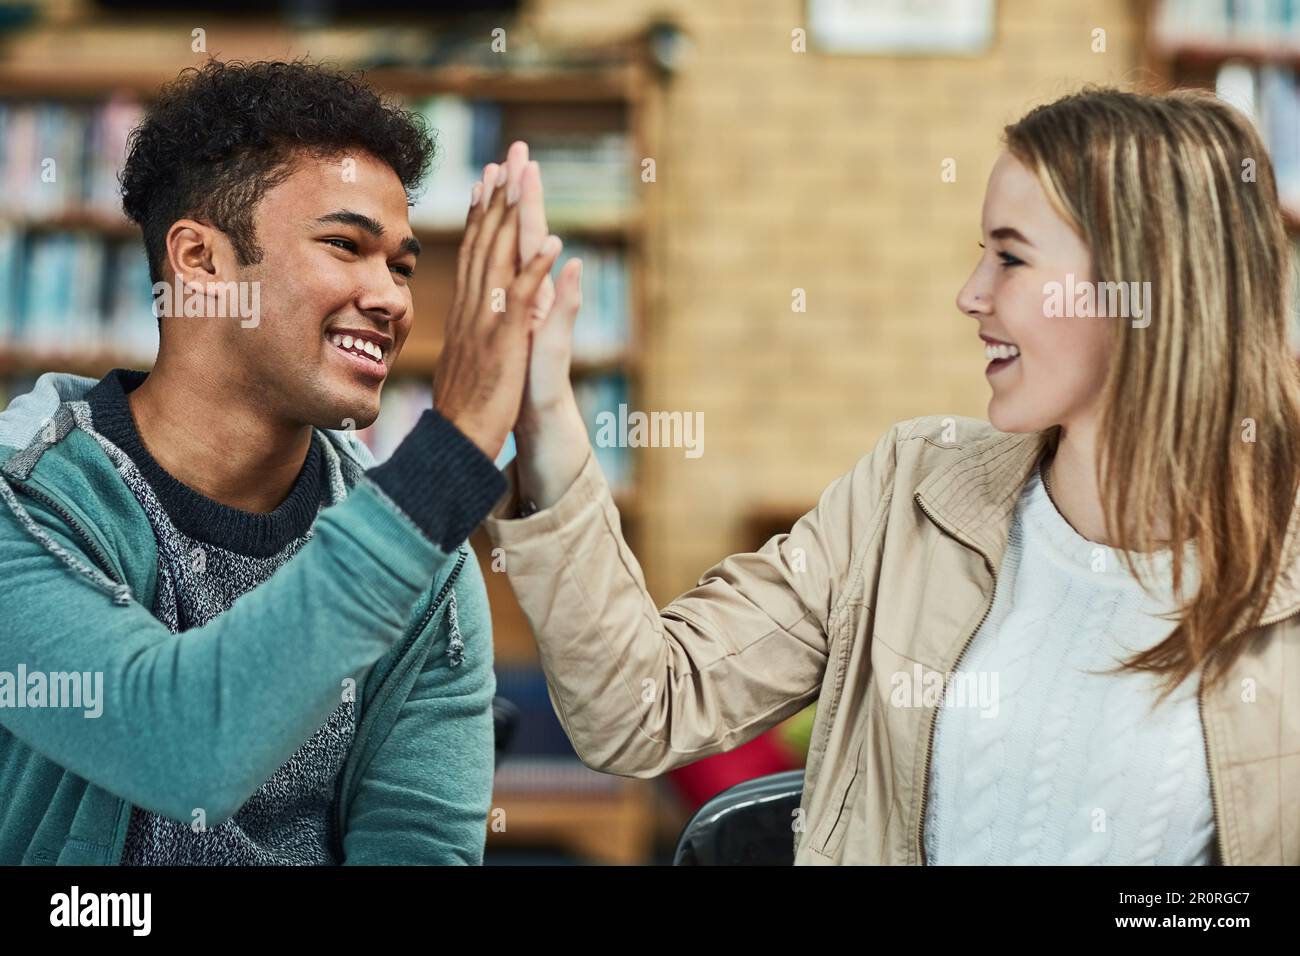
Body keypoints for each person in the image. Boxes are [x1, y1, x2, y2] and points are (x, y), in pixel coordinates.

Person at [485, 85, 1300, 865]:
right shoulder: (911, 492)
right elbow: (640, 709)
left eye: (1010, 259)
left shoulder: (1283, 575)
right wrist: (550, 419)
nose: (969, 295)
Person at [0, 59, 561, 865]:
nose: (394, 298)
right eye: (345, 246)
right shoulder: (28, 499)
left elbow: (419, 850)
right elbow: (179, 746)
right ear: (201, 265)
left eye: (401, 265)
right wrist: (455, 447)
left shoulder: (425, 571)